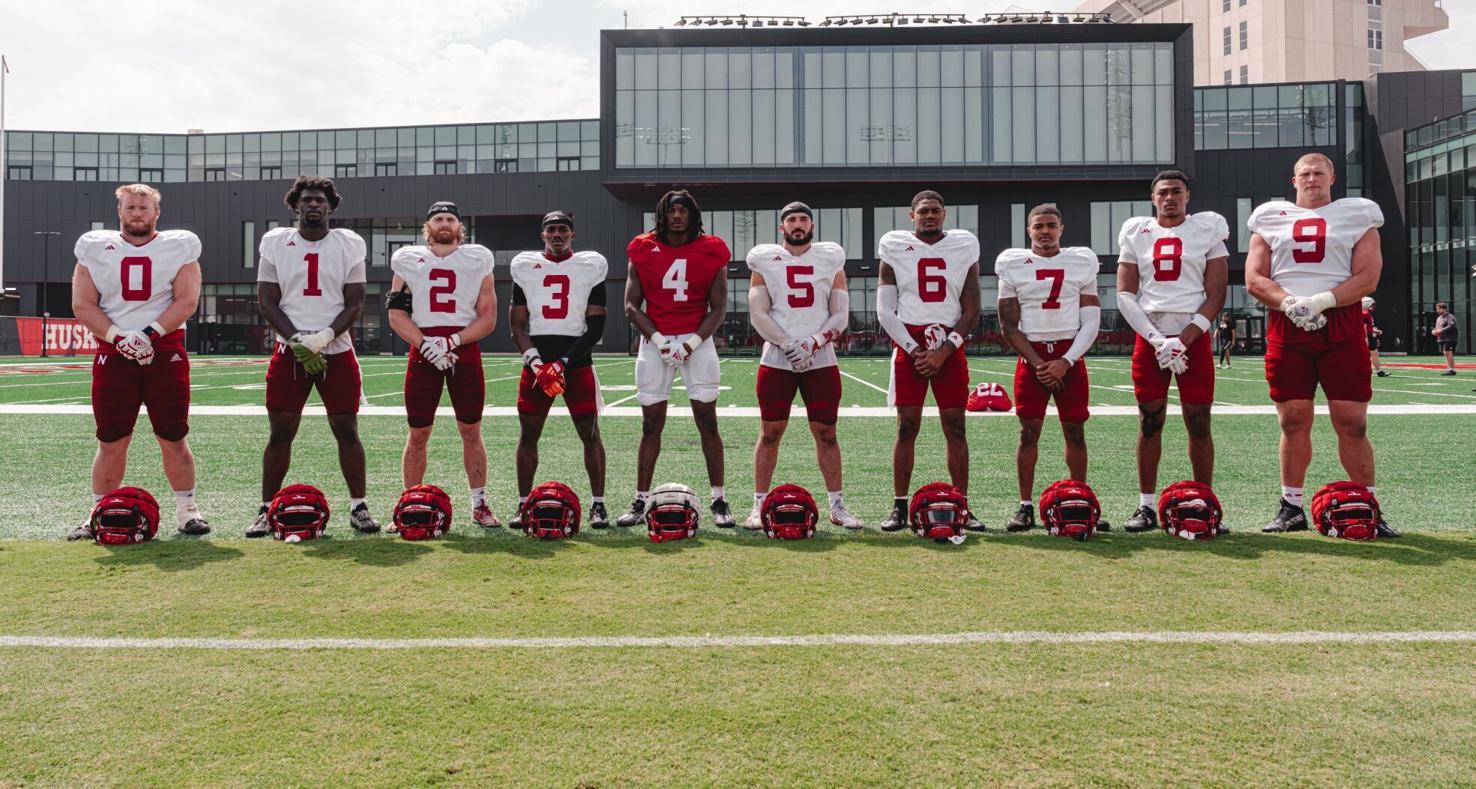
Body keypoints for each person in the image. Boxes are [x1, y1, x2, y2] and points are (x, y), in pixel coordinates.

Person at [1245, 152, 1398, 537]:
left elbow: (1368, 275)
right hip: (1287, 324)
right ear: (1293, 181)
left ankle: (1369, 506)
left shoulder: (1357, 214)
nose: (1311, 179)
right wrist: (1288, 303)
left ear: (1332, 178)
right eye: (1304, 174)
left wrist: (1321, 301)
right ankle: (1291, 506)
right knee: (1293, 419)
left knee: (1353, 422)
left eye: (1318, 173)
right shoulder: (1269, 217)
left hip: (1340, 322)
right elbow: (1254, 276)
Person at [68, 183, 210, 539]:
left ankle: (187, 510)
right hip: (113, 352)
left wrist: (147, 334)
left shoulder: (179, 246)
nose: (137, 213)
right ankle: (98, 511)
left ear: (156, 213)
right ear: (120, 211)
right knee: (112, 438)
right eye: (130, 207)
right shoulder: (95, 247)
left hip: (164, 350)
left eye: (144, 208)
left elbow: (187, 300)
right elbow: (83, 304)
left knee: (173, 434)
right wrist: (119, 337)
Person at [247, 176, 379, 537]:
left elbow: (355, 302)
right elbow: (267, 301)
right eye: (306, 200)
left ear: (331, 206)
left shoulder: (348, 244)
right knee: (280, 432)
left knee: (347, 430)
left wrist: (322, 338)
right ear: (295, 205)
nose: (313, 205)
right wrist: (297, 341)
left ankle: (358, 506)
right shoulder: (275, 242)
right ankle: (265, 508)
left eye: (320, 200)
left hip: (335, 350)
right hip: (289, 352)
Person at [1113, 170, 1229, 533]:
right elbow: (1124, 294)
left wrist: (1185, 338)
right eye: (1163, 192)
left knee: (1199, 421)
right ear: (1153, 198)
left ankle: (1205, 501)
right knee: (1150, 422)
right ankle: (1146, 505)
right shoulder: (1136, 231)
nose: (1169, 198)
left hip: (1192, 337)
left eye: (1176, 192)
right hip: (1151, 338)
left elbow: (1216, 294)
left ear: (1188, 196)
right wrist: (1158, 340)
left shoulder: (1207, 228)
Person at [617, 190, 735, 528]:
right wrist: (659, 340)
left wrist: (692, 343)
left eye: (684, 209)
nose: (678, 215)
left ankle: (718, 498)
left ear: (693, 214)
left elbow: (720, 309)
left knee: (708, 421)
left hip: (697, 341)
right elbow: (630, 305)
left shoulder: (711, 248)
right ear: (662, 214)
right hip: (656, 341)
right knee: (650, 424)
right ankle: (640, 500)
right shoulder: (642, 247)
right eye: (672, 209)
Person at [742, 201, 862, 530]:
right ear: (781, 227)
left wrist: (814, 341)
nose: (798, 225)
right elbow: (758, 312)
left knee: (827, 433)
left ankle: (837, 505)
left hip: (820, 358)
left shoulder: (830, 258)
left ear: (812, 226)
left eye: (803, 220)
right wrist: (788, 344)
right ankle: (758, 504)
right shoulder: (764, 260)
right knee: (770, 433)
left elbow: (840, 312)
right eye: (791, 220)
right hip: (777, 358)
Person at [386, 201, 500, 528]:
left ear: (460, 227)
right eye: (438, 218)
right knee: (418, 432)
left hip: (463, 348)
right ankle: (409, 502)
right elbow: (396, 315)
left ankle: (479, 504)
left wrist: (451, 342)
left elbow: (488, 317)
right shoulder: (408, 261)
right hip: (423, 349)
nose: (445, 223)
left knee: (471, 429)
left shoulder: (477, 259)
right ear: (428, 227)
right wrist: (426, 345)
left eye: (450, 218)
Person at [875, 190, 983, 532]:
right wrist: (914, 349)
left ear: (945, 214)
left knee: (956, 427)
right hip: (911, 346)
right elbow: (884, 309)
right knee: (906, 427)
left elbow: (972, 309)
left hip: (949, 346)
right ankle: (899, 506)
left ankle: (962, 505)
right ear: (912, 216)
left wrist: (944, 350)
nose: (930, 216)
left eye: (935, 210)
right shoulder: (894, 246)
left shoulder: (964, 246)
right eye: (923, 211)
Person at [995, 205, 1103, 532]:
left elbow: (1092, 320)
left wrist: (1066, 361)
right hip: (1034, 356)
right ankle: (1025, 506)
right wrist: (1041, 364)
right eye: (1039, 226)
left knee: (1075, 431)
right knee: (1028, 433)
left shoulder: (1081, 261)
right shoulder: (1013, 264)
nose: (1045, 231)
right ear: (1029, 230)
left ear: (1061, 228)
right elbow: (1008, 326)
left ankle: (1080, 499)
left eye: (1051, 225)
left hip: (1069, 352)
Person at [509, 211, 610, 530]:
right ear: (542, 236)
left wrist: (562, 363)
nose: (557, 235)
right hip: (538, 364)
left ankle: (598, 505)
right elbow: (517, 325)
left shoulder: (590, 265)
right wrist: (538, 364)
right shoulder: (525, 266)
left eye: (563, 229)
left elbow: (596, 328)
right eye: (551, 230)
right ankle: (524, 503)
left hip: (576, 363)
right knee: (528, 434)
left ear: (572, 235)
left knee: (590, 434)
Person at [1363, 297, 1388, 377]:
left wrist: (1374, 331)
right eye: (1372, 304)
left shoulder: (1366, 313)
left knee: (1374, 353)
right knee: (1372, 353)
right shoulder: (1364, 313)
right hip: (1367, 336)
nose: (1374, 306)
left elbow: (1368, 326)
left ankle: (1379, 371)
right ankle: (1378, 371)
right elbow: (1363, 326)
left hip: (1369, 335)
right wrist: (1366, 337)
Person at [1433, 302, 1458, 375]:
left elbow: (1452, 326)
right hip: (1442, 338)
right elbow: (1436, 327)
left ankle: (1452, 370)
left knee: (1448, 352)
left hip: (1450, 338)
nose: (1437, 311)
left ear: (1443, 309)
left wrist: (1440, 330)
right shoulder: (1438, 318)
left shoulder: (1450, 317)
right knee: (1445, 353)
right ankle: (1449, 369)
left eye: (1438, 309)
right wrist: (1433, 331)